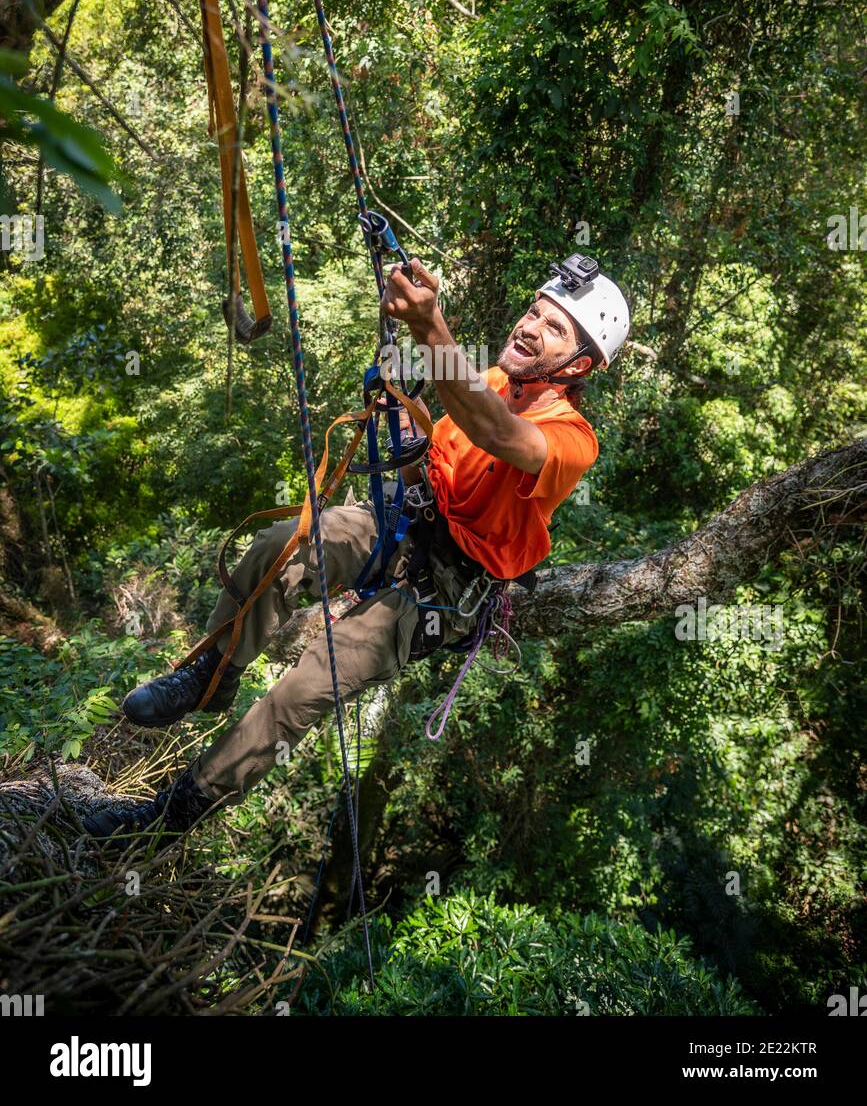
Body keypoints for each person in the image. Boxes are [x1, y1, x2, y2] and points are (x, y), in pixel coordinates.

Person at [80, 253, 629, 841]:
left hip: (445, 586)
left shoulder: (572, 442)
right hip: (404, 521)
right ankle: (211, 676)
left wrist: (427, 325)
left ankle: (176, 812)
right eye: (533, 312)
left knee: (309, 684)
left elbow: (493, 430)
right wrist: (405, 426)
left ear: (582, 364)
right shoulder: (494, 382)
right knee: (281, 547)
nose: (528, 327)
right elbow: (443, 458)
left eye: (554, 328)